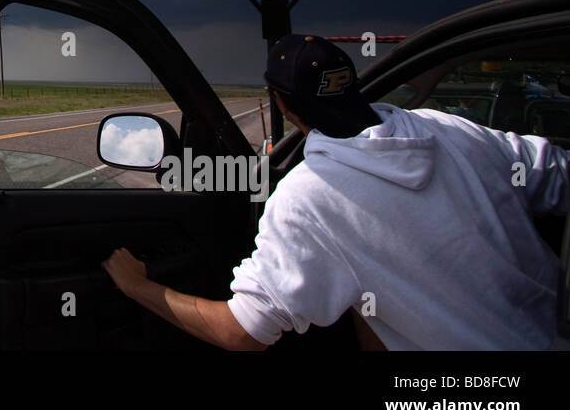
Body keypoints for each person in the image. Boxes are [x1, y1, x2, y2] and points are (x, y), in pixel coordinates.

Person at [102, 33, 568, 350]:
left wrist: (136, 285)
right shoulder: (451, 129)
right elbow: (557, 174)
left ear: (281, 104)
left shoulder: (308, 197)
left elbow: (242, 332)